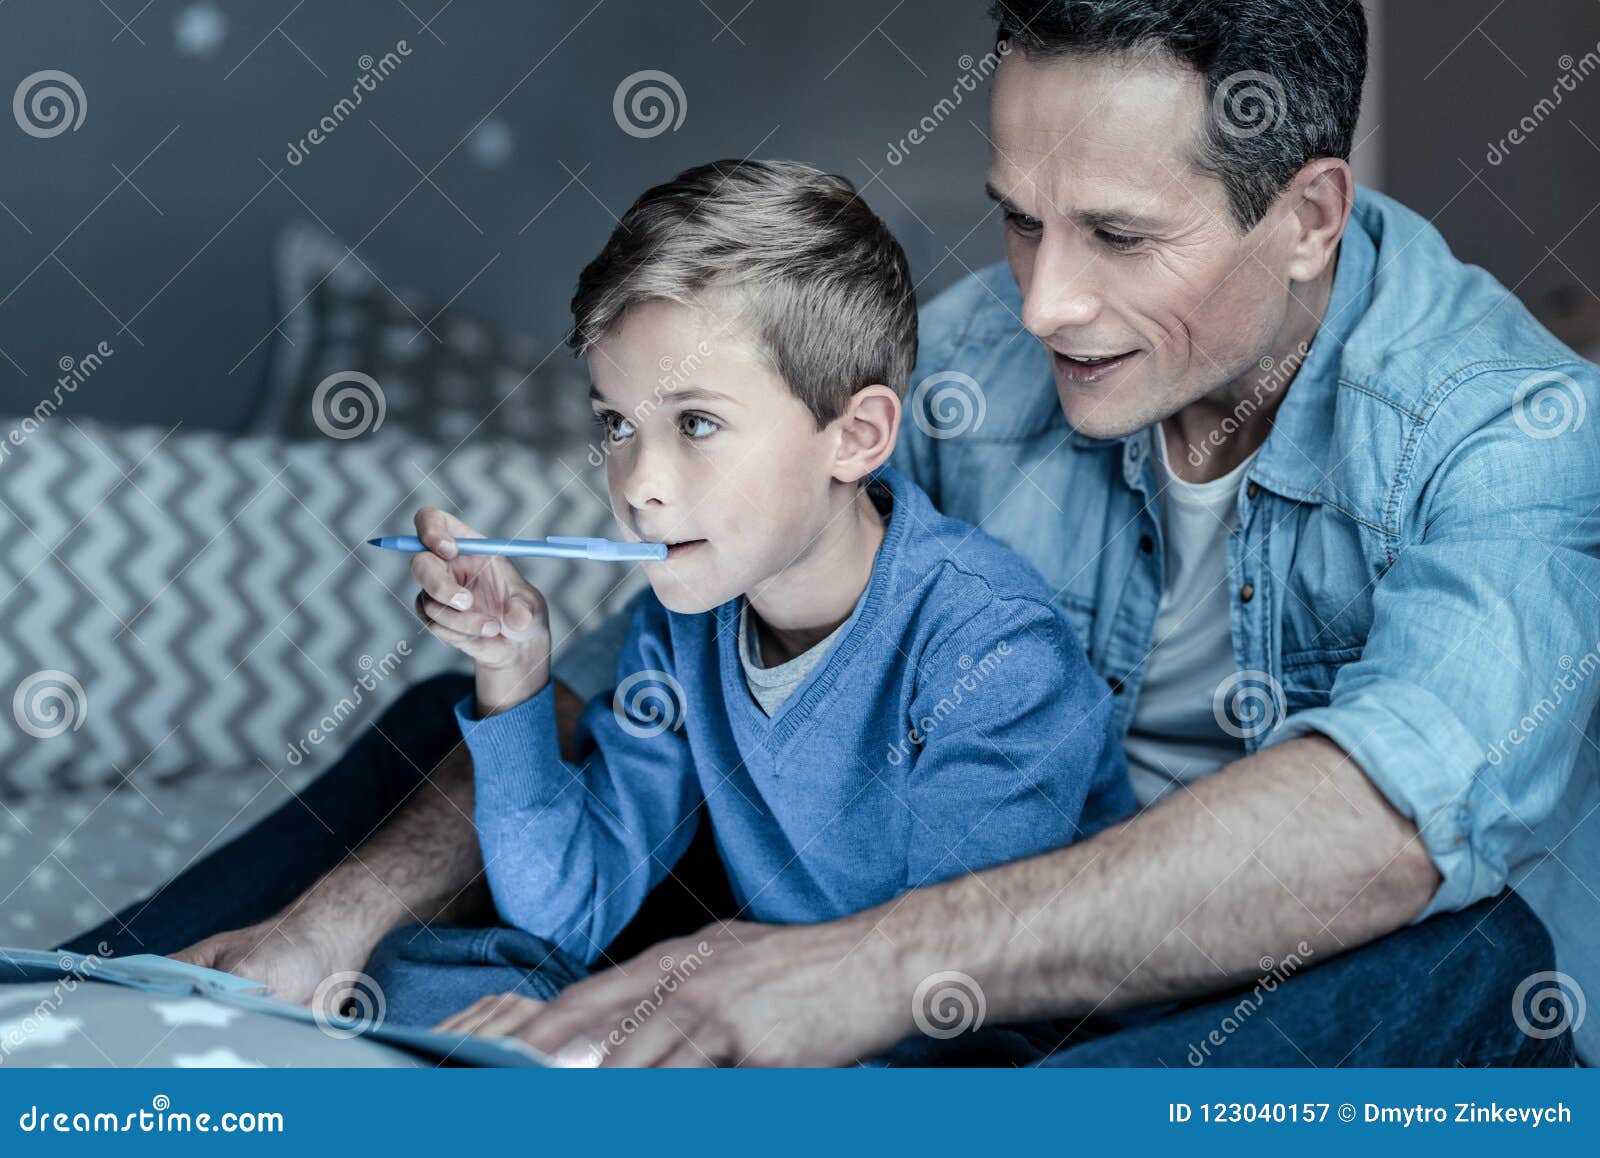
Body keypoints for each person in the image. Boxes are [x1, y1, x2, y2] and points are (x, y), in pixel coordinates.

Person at [69, 0, 1593, 1066]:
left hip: (1224, 982)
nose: (1044, 302)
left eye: (1120, 236)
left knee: (1457, 954)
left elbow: (1384, 823)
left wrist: (850, 966)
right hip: (897, 915)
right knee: (473, 720)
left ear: (1311, 214)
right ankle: (94, 1012)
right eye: (1019, 218)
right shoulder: (977, 357)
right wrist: (333, 916)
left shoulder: (1510, 427)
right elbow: (637, 681)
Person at [372, 158, 1130, 1029]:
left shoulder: (995, 652)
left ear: (856, 437)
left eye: (697, 423)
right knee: (412, 975)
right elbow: (569, 911)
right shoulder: (681, 628)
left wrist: (651, 1037)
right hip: (786, 1020)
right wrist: (512, 673)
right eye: (617, 424)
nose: (638, 484)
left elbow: (949, 996)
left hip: (987, 1050)